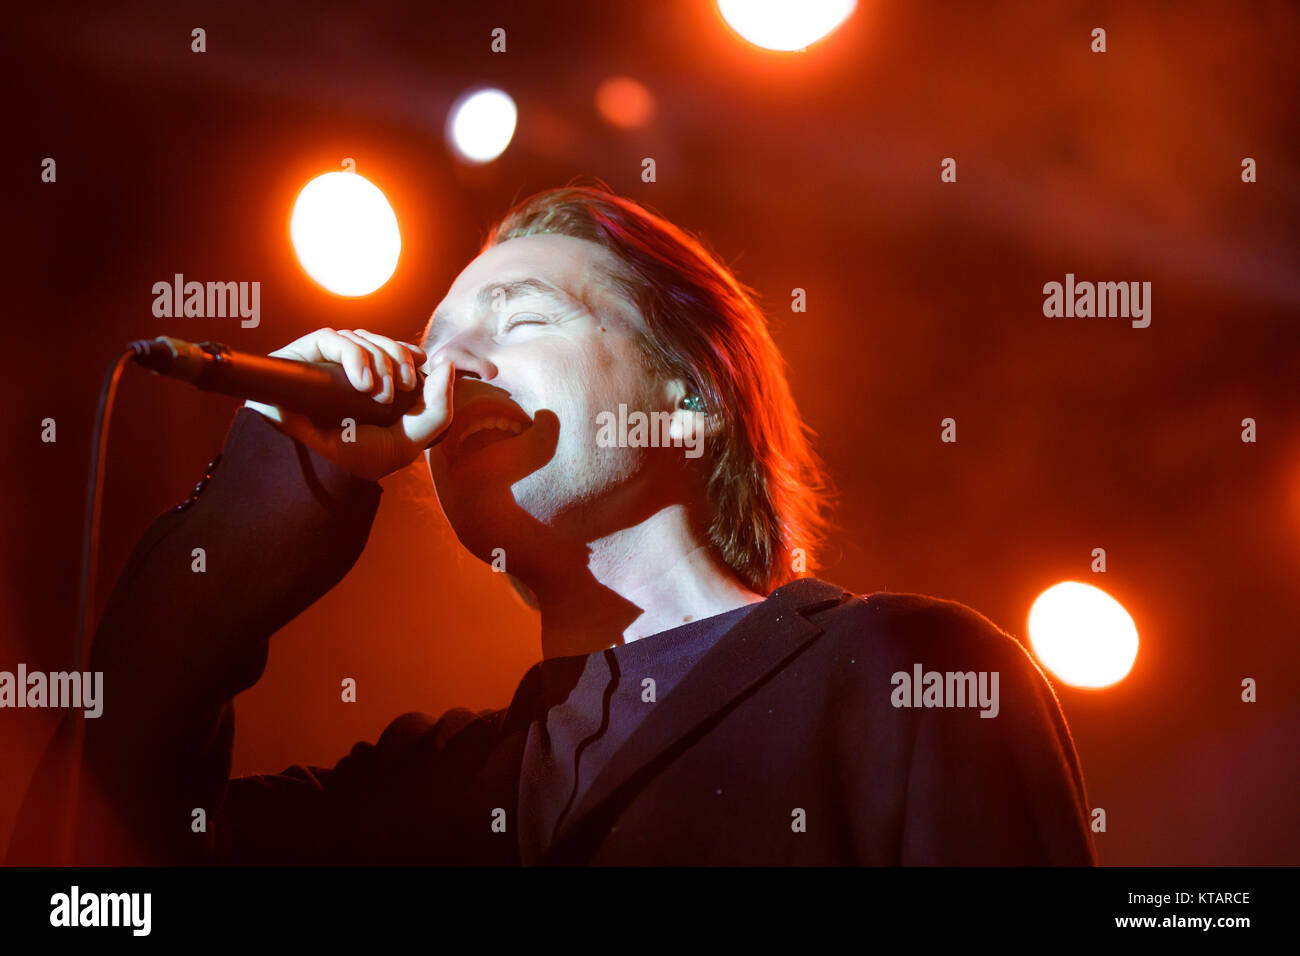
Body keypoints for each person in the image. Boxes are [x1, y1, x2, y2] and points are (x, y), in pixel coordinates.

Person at [55, 184, 1098, 865]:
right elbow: (93, 872)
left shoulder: (904, 675)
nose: (449, 369)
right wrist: (272, 495)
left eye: (522, 319)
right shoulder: (428, 791)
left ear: (692, 399)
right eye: (437, 341)